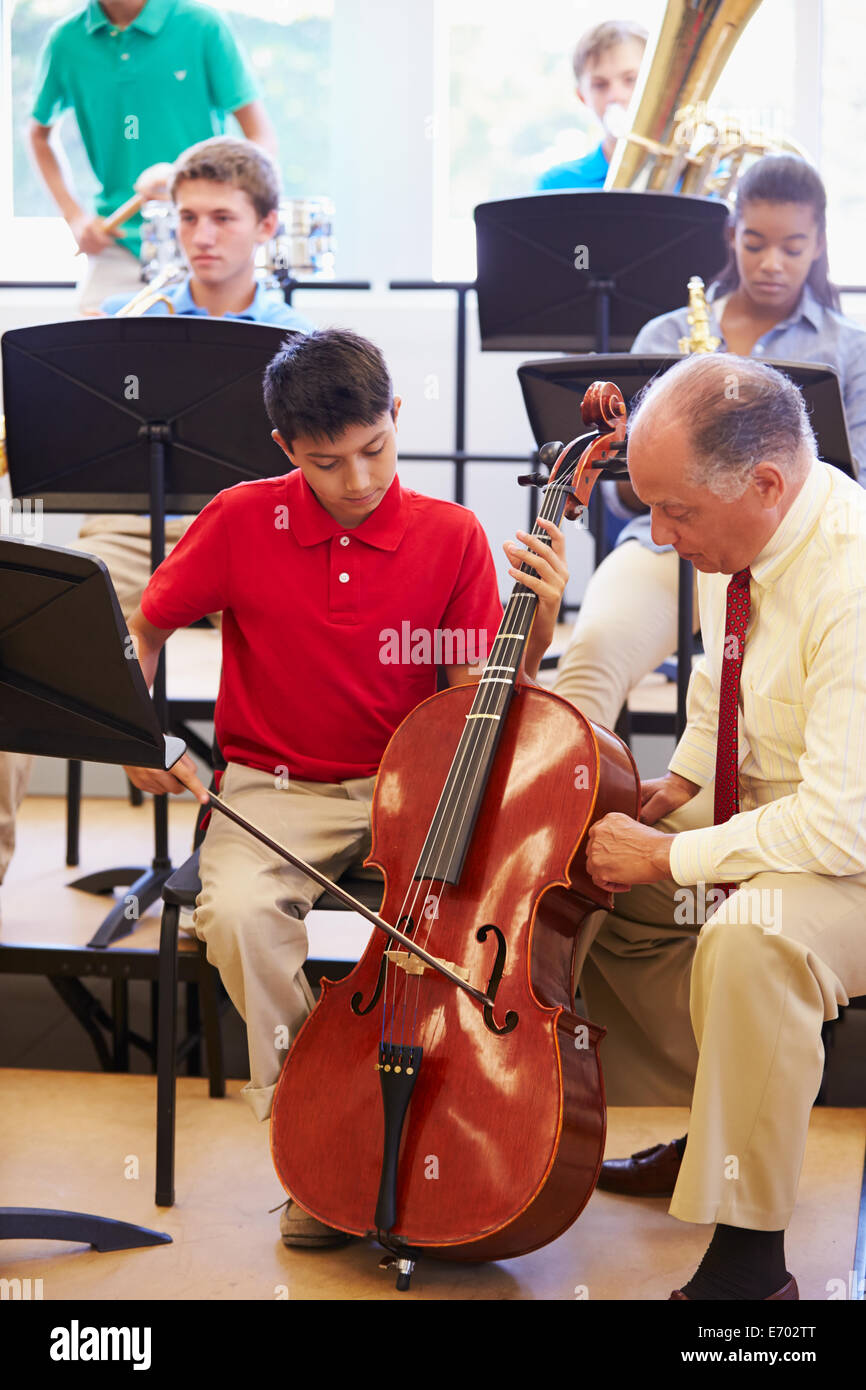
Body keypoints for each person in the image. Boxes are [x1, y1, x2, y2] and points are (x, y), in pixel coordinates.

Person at [120, 328, 569, 1247]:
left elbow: (469, 699)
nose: (359, 479)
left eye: (375, 450)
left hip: (410, 790)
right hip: (271, 787)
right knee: (239, 916)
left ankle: (446, 1132)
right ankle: (314, 1141)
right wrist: (139, 728)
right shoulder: (242, 517)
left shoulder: (449, 535)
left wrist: (540, 627)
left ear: (396, 418)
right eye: (329, 464)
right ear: (286, 449)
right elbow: (148, 619)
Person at [579, 351, 866, 1300]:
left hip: (853, 853)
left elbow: (836, 829)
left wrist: (665, 853)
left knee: (751, 939)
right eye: (649, 508)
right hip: (790, 819)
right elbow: (720, 700)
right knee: (575, 886)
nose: (658, 535)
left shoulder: (854, 580)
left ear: (767, 482)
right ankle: (713, 1128)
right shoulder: (741, 540)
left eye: (676, 512)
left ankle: (751, 1269)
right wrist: (655, 799)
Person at [554, 155, 866, 730]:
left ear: (819, 243)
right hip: (667, 551)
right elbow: (624, 501)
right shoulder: (666, 335)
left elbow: (853, 483)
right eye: (754, 243)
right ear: (731, 235)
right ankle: (566, 802)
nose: (772, 263)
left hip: (794, 560)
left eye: (793, 247)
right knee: (588, 664)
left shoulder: (851, 349)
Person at [79, 136, 312, 622]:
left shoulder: (299, 339)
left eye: (223, 219)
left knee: (287, 630)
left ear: (266, 225)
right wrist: (89, 357)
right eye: (188, 218)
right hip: (132, 531)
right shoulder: (122, 316)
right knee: (71, 610)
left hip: (251, 533)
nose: (202, 238)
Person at [28, 0, 276, 312]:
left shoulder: (202, 26)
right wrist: (75, 217)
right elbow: (38, 135)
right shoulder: (65, 41)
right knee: (88, 349)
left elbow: (261, 138)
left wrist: (196, 188)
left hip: (201, 237)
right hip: (117, 241)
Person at [536, 20, 647, 192]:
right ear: (582, 96)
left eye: (631, 79)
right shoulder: (555, 186)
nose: (616, 96)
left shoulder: (701, 180)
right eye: (600, 85)